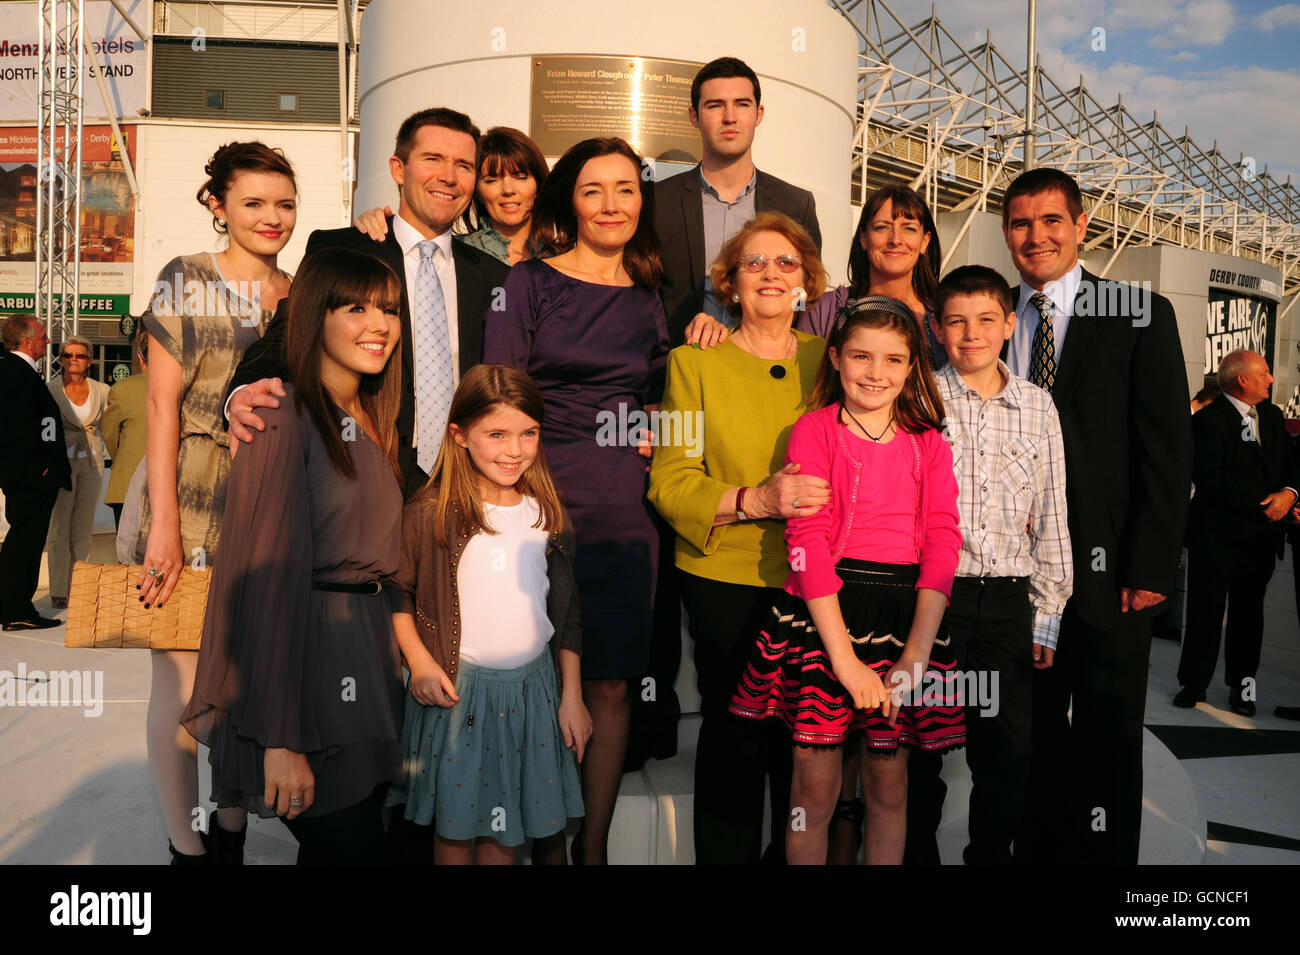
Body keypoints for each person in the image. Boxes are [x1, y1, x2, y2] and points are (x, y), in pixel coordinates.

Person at [181, 247, 406, 865]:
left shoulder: (374, 416)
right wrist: (281, 739)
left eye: (388, 309)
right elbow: (265, 583)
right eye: (355, 307)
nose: (379, 324)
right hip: (307, 676)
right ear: (313, 316)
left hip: (370, 664)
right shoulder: (278, 415)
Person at [485, 136, 669, 864]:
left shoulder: (652, 296)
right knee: (533, 674)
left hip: (625, 504)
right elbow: (499, 391)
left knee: (614, 679)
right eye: (594, 189)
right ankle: (541, 841)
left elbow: (665, 399)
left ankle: (588, 848)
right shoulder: (527, 283)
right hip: (537, 496)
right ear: (570, 200)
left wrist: (662, 424)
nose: (612, 204)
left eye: (625, 189)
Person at [727, 295, 962, 865]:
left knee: (889, 778)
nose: (875, 373)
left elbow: (943, 542)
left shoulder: (928, 443)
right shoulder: (813, 431)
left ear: (911, 368)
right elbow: (806, 544)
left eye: (892, 360)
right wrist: (845, 662)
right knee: (812, 784)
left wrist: (915, 656)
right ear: (834, 358)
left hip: (906, 619)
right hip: (824, 617)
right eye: (861, 357)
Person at [1001, 167, 1192, 866]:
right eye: (1021, 222)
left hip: (1112, 575)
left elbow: (1168, 453)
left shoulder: (1140, 313)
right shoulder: (990, 318)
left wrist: (1148, 566)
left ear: (1082, 225)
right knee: (1033, 736)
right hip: (1016, 577)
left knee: (1110, 740)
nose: (1037, 236)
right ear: (1005, 232)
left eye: (1052, 220)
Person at [647, 211, 830, 864]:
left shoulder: (831, 360)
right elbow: (671, 481)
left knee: (803, 752)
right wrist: (756, 499)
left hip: (820, 585)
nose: (771, 274)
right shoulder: (695, 363)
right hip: (726, 578)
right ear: (728, 282)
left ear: (807, 280)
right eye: (755, 263)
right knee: (732, 747)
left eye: (786, 263)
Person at [135, 140, 297, 864]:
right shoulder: (186, 279)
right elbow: (162, 408)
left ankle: (230, 826)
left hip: (270, 501)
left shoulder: (297, 291)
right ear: (218, 205)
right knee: (179, 680)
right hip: (191, 494)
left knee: (243, 678)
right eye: (254, 202)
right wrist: (164, 530)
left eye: (285, 203)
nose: (273, 217)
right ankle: (185, 846)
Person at [226, 108, 511, 496]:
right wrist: (243, 392)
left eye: (464, 165)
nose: (449, 176)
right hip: (362, 481)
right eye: (433, 160)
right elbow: (290, 334)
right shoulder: (343, 247)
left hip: (465, 487)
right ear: (398, 169)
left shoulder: (496, 277)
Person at [386, 363, 590, 864]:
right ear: (459, 435)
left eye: (528, 433)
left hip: (534, 694)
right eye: (496, 434)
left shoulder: (547, 512)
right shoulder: (430, 512)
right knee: (456, 833)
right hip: (460, 696)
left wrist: (573, 696)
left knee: (506, 833)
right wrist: (419, 663)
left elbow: (567, 617)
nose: (514, 449)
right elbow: (397, 592)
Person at [921, 265, 1072, 865]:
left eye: (986, 319)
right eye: (955, 321)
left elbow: (1054, 511)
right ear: (936, 327)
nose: (971, 334)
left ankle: (988, 857)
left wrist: (1048, 614)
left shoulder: (1038, 407)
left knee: (1005, 753)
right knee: (919, 746)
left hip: (1008, 605)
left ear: (1010, 324)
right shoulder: (920, 398)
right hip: (934, 598)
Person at [656, 56, 822, 347]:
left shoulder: (796, 205)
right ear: (694, 116)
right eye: (715, 105)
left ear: (758, 114)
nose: (729, 117)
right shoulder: (658, 202)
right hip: (678, 367)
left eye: (741, 104)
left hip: (769, 371)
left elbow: (804, 296)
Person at [1174, 351, 1298, 717]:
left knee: (1249, 618)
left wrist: (1289, 494)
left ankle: (1243, 691)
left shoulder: (1273, 418)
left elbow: (1291, 466)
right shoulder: (1207, 421)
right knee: (1204, 614)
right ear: (1242, 379)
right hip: (1216, 537)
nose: (1271, 379)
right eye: (1264, 373)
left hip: (1261, 540)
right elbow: (1210, 477)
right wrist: (1268, 503)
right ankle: (1193, 685)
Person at [355, 126, 548, 266]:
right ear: (477, 191)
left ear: (539, 185)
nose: (508, 190)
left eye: (521, 177)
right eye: (491, 180)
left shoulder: (565, 253)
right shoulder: (453, 252)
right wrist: (378, 224)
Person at [0, 316, 69, 631]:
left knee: (24, 542)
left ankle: (14, 606)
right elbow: (17, 428)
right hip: (29, 477)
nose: (47, 341)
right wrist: (36, 468)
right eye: (42, 336)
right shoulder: (15, 373)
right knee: (24, 543)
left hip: (29, 475)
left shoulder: (18, 372)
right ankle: (16, 610)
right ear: (27, 341)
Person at [44, 334, 110, 610]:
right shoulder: (50, 389)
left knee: (83, 528)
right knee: (59, 528)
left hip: (92, 462)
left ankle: (78, 587)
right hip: (61, 463)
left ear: (89, 361)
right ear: (61, 359)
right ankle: (59, 590)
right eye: (68, 355)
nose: (73, 360)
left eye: (79, 356)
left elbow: (110, 425)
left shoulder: (102, 390)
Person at [101, 327, 149, 531]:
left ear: (140, 358)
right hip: (174, 487)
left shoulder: (121, 389)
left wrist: (123, 458)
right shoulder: (187, 387)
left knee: (127, 556)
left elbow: (110, 435)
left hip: (127, 483)